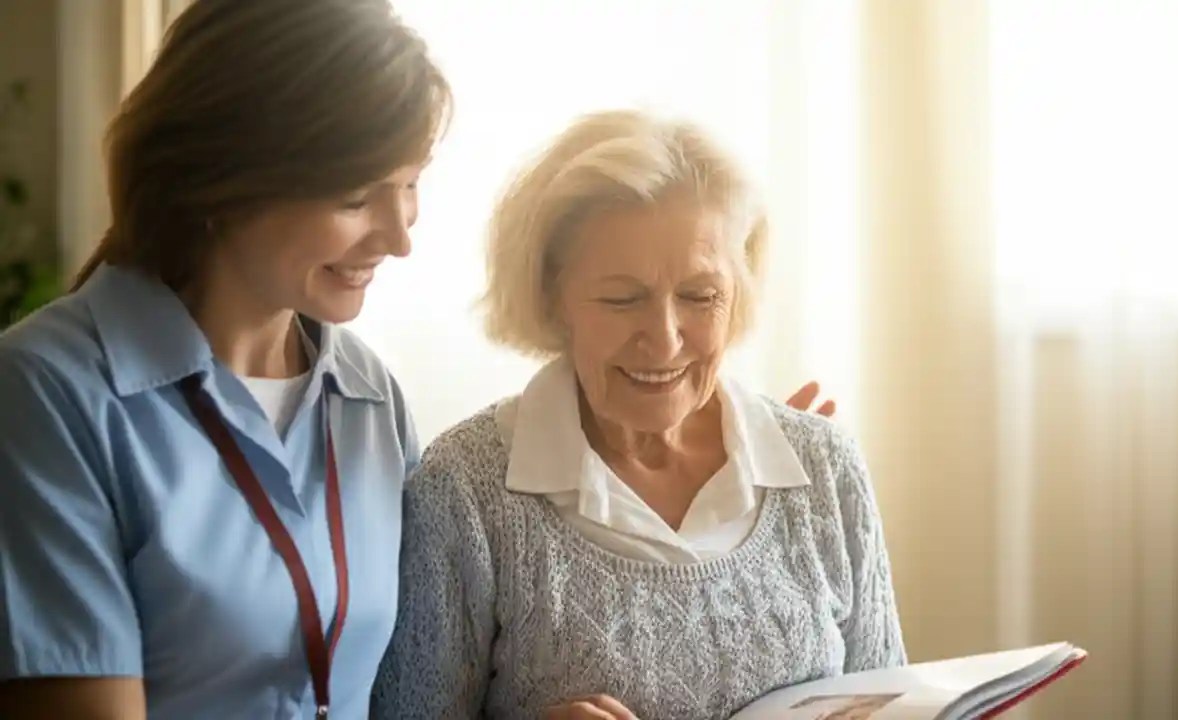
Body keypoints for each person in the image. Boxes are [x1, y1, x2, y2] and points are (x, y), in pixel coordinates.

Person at [0, 3, 832, 717]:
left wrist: (740, 478)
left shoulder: (366, 397)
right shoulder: (52, 397)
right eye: (358, 197)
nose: (400, 237)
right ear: (223, 177)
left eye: (411, 185)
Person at [371, 110, 907, 720]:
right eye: (622, 299)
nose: (665, 340)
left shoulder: (825, 465)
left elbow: (895, 705)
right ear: (553, 296)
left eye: (700, 296)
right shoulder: (466, 488)